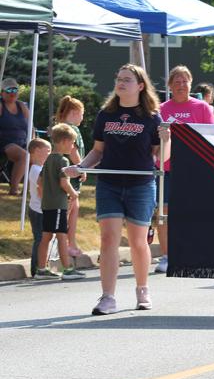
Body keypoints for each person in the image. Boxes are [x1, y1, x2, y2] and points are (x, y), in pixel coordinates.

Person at [63, 64, 170, 315]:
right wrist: (80, 166)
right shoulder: (105, 114)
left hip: (141, 185)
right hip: (109, 184)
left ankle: (142, 289)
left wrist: (167, 139)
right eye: (118, 79)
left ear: (140, 86)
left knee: (138, 241)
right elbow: (97, 151)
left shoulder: (152, 117)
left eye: (127, 80)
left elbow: (161, 158)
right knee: (108, 238)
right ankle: (107, 297)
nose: (121, 83)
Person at [156, 66, 214, 274]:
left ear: (191, 83)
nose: (181, 85)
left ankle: (194, 253)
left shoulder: (202, 108)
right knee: (163, 212)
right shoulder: (161, 109)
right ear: (170, 86)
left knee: (192, 212)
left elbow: (211, 138)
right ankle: (166, 256)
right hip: (165, 168)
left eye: (185, 81)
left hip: (193, 168)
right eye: (177, 82)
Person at [34, 124, 86, 280]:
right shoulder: (63, 161)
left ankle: (41, 269)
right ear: (64, 141)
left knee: (46, 236)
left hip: (48, 204)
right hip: (58, 205)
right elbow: (64, 183)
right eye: (72, 143)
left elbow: (39, 181)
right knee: (62, 235)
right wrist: (73, 194)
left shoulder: (48, 159)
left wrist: (46, 197)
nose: (72, 147)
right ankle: (68, 269)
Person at [55, 96, 87, 257]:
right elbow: (73, 150)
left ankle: (70, 242)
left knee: (74, 207)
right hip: (69, 175)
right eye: (82, 114)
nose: (83, 118)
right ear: (75, 112)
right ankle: (60, 244)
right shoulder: (70, 129)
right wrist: (82, 168)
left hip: (71, 175)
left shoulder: (66, 127)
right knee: (67, 209)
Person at [0, 77, 29, 195]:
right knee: (24, 156)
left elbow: (30, 125)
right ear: (2, 93)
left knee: (39, 152)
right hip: (4, 143)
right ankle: (14, 189)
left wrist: (32, 140)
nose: (13, 93)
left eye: (15, 90)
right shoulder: (1, 106)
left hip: (22, 142)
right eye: (9, 91)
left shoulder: (22, 106)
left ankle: (30, 189)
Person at [27, 138, 50, 278]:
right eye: (47, 151)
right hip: (38, 210)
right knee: (40, 239)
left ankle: (41, 266)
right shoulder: (36, 170)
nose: (49, 153)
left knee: (43, 239)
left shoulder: (39, 169)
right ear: (36, 151)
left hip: (41, 209)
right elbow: (42, 190)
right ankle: (37, 268)